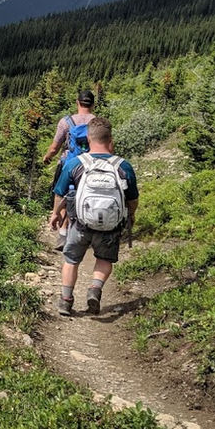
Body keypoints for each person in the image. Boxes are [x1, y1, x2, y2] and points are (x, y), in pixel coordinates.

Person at [49, 117, 138, 317]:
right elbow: (132, 199)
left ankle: (65, 301)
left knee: (71, 259)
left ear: (89, 139)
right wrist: (131, 215)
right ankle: (95, 289)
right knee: (104, 258)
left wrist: (56, 214)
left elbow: (60, 193)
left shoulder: (76, 163)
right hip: (110, 225)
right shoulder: (123, 166)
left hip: (80, 223)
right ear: (110, 139)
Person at [42, 89, 97, 247]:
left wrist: (47, 157)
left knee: (62, 194)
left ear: (77, 103)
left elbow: (55, 147)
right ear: (93, 105)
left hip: (69, 164)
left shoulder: (66, 122)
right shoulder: (98, 123)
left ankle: (63, 234)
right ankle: (89, 232)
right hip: (91, 165)